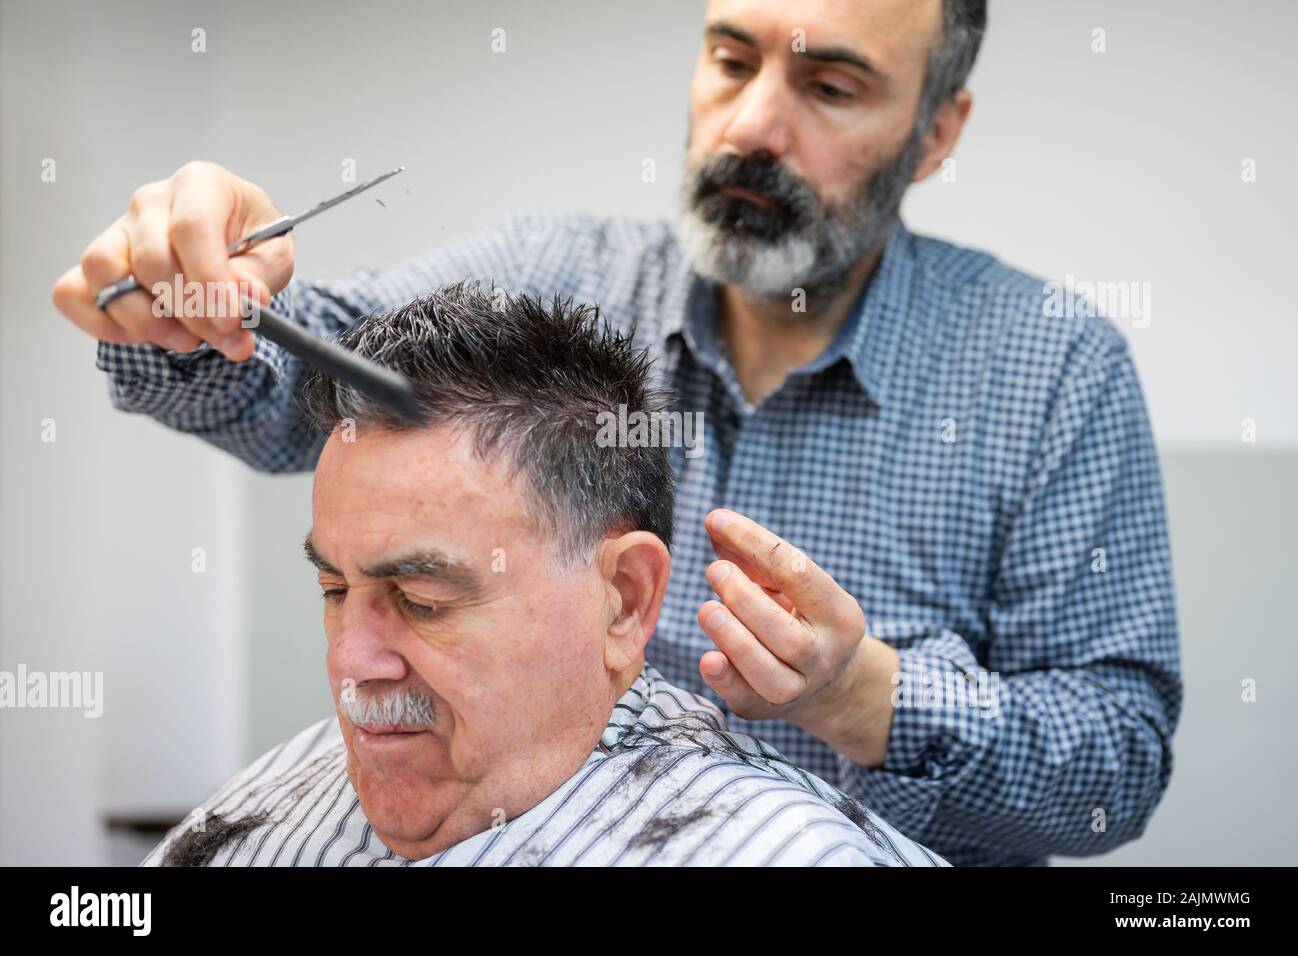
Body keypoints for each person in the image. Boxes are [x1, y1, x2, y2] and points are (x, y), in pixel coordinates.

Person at [56, 0, 1181, 866]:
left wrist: (862, 697)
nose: (751, 126)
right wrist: (186, 299)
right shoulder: (555, 283)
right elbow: (276, 381)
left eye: (831, 86)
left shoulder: (1048, 365)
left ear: (935, 133)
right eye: (731, 61)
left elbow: (1117, 764)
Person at [143, 285, 946, 867]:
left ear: (623, 602)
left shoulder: (782, 853)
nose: (350, 663)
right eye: (334, 591)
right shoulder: (262, 811)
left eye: (422, 602)